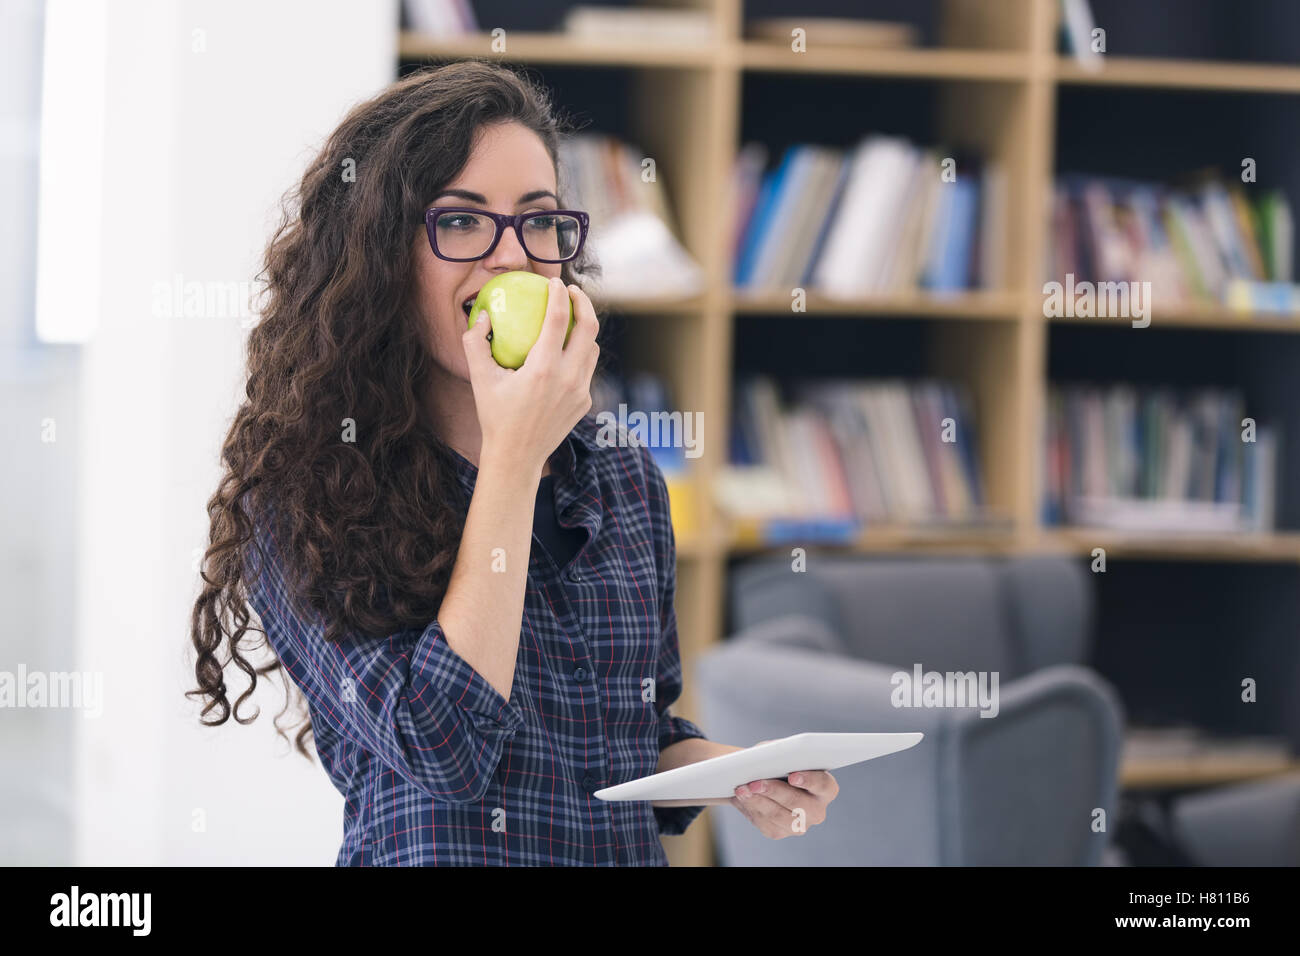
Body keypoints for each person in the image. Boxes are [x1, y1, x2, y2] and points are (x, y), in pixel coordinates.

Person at [188, 59, 837, 866]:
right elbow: (443, 745)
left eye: (538, 220)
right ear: (382, 257)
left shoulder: (619, 477)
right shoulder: (302, 497)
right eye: (460, 221)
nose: (512, 258)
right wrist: (514, 459)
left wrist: (740, 778)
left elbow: (632, 738)